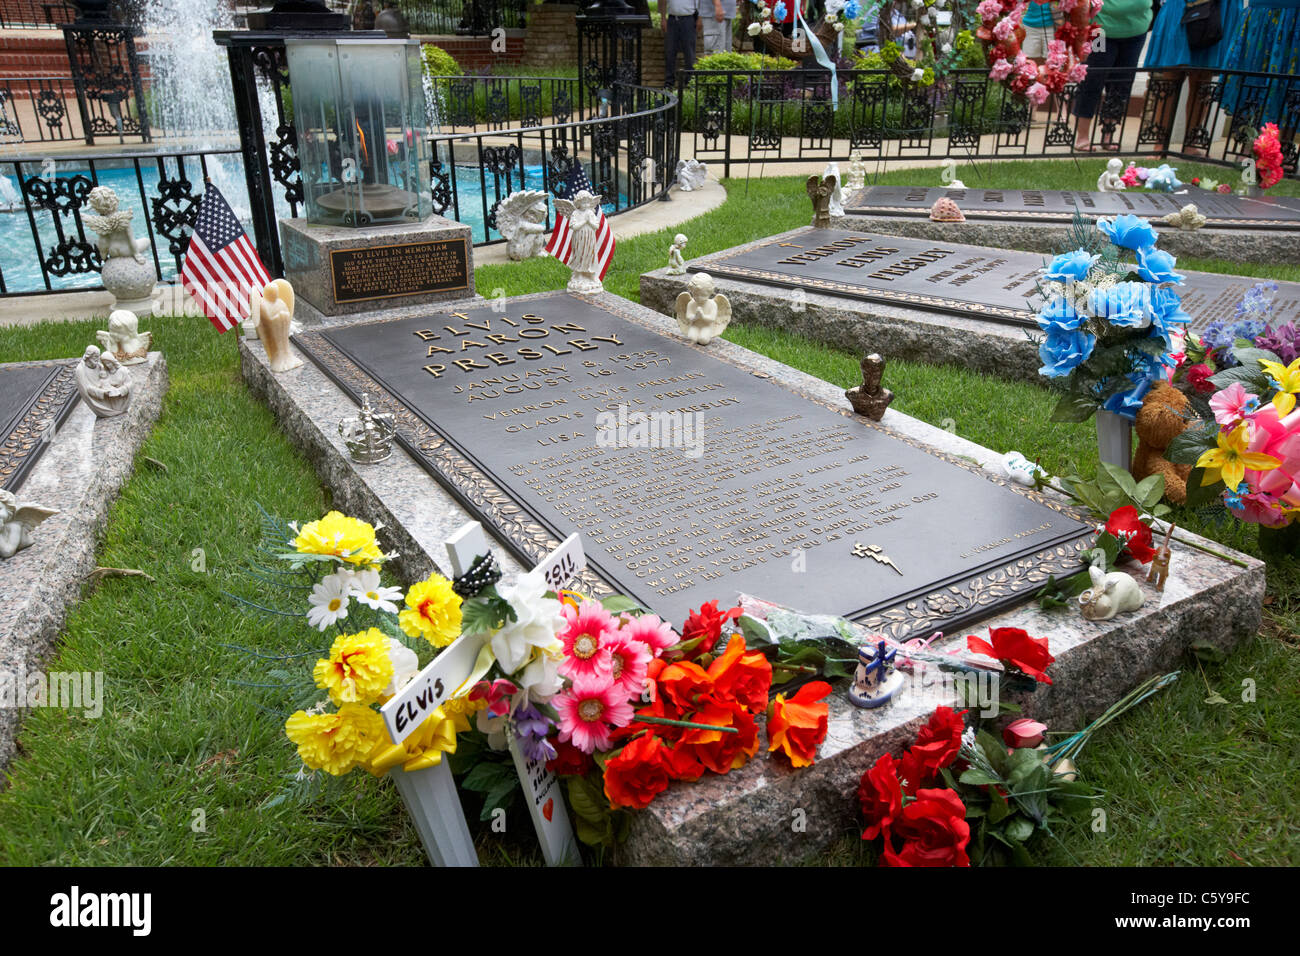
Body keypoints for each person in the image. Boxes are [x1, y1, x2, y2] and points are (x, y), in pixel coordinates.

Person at [1143, 0, 1244, 155]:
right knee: (1170, 77)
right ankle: (1160, 144)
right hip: (1180, 8)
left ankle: (1190, 143)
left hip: (1217, 10)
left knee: (1202, 81)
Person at [1072, 0, 1154, 150]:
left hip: (1136, 32)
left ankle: (1108, 135)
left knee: (1122, 82)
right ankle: (1082, 136)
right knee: (1093, 78)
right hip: (1100, 32)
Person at [1221, 0, 1300, 128]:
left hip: (1288, 15)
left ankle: (1282, 144)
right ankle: (1252, 140)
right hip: (1263, 14)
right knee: (1253, 84)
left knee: (1290, 89)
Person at [663, 0, 699, 88]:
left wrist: (700, 19)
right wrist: (663, 18)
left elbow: (700, 2)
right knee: (670, 51)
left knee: (689, 52)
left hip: (688, 19)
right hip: (672, 19)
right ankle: (669, 83)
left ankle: (690, 82)